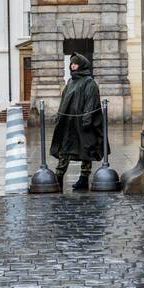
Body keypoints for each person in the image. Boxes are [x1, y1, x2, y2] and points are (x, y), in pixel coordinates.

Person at [49, 52, 106, 191]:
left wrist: (87, 120)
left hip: (83, 124)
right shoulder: (71, 82)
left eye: (75, 64)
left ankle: (84, 178)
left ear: (81, 66)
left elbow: (91, 102)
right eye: (71, 64)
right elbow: (64, 101)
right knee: (65, 149)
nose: (72, 66)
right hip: (69, 123)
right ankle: (59, 176)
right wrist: (59, 116)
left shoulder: (89, 82)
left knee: (86, 150)